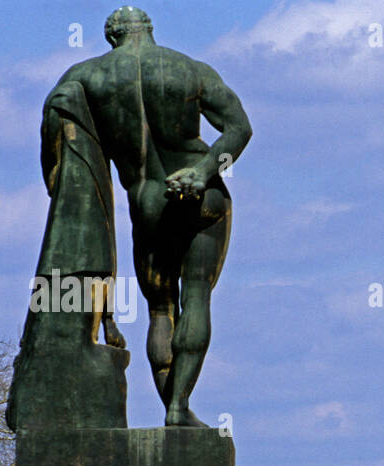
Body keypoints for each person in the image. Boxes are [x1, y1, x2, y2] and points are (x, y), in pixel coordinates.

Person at [40, 6, 251, 427]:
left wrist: (61, 192)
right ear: (149, 31)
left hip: (146, 202)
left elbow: (54, 142)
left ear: (111, 37)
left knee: (160, 309)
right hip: (202, 195)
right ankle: (178, 408)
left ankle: (173, 406)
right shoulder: (189, 69)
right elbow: (239, 129)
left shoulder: (84, 77)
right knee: (197, 297)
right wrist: (206, 170)